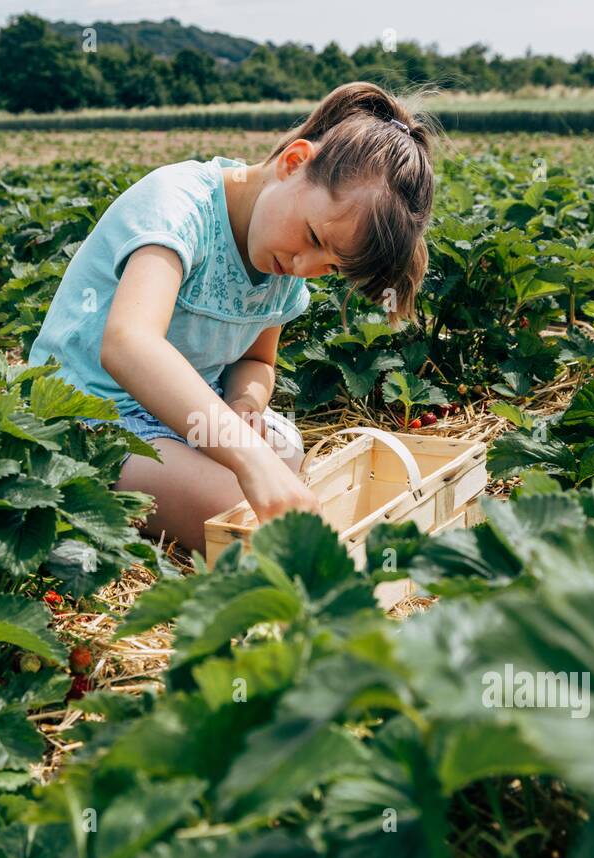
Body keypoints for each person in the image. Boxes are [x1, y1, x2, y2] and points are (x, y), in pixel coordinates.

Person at [28, 81, 436, 555]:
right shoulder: (179, 206)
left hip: (181, 418)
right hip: (93, 416)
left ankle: (180, 488)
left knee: (285, 454)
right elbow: (128, 343)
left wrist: (244, 406)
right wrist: (247, 458)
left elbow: (258, 361)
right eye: (313, 238)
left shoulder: (281, 264)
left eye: (330, 266)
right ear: (294, 162)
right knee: (242, 515)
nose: (305, 266)